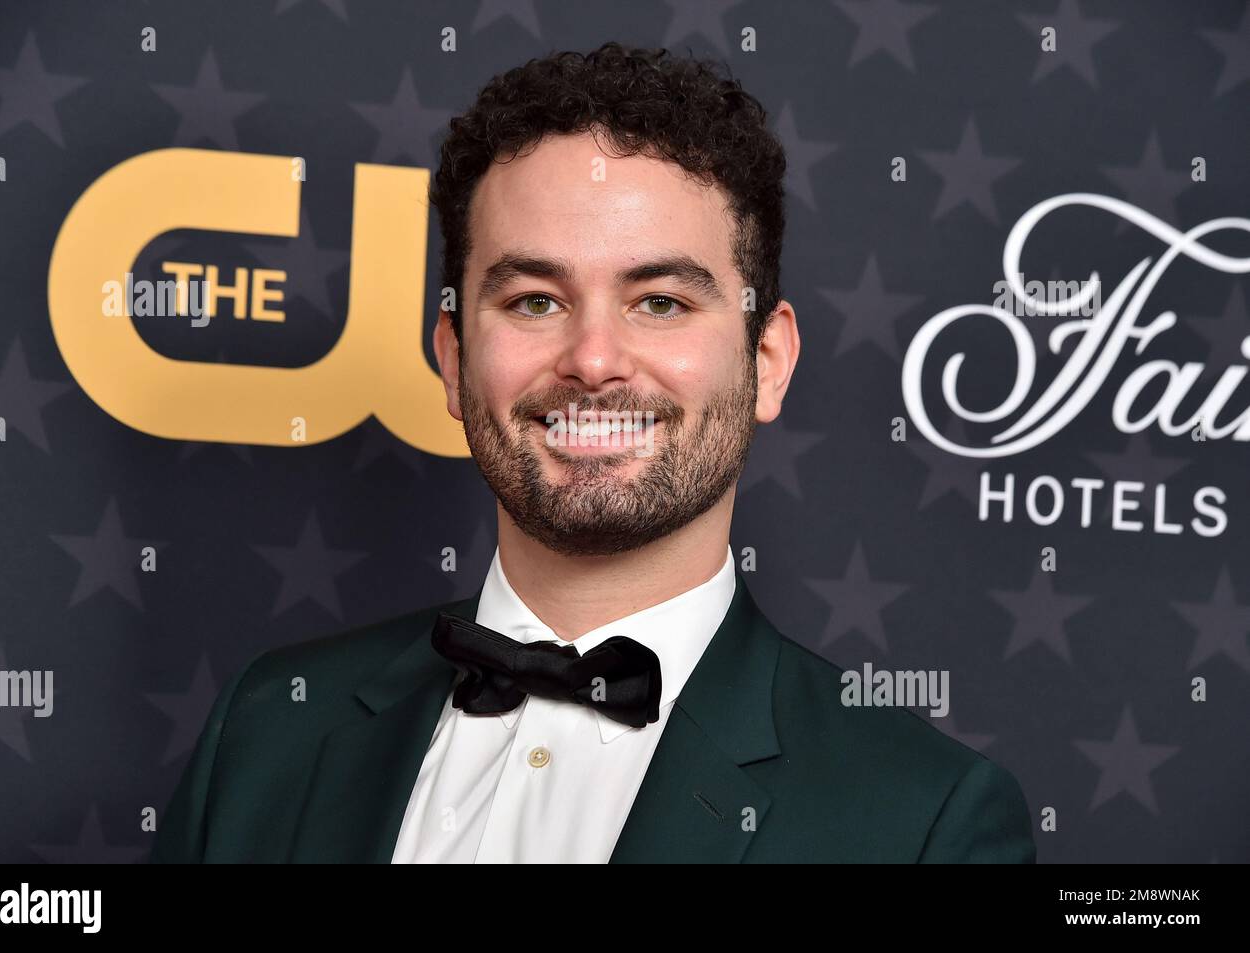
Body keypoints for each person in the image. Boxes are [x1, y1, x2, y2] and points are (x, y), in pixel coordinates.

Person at [151, 42, 1035, 864]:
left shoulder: (925, 820)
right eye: (535, 300)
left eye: (660, 302)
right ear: (455, 361)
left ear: (766, 361)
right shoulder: (265, 729)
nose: (594, 361)